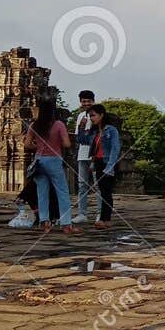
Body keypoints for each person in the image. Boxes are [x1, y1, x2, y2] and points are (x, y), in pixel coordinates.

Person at [24, 99, 73, 232]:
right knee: (62, 191)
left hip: (39, 160)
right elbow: (67, 144)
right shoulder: (58, 124)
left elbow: (27, 144)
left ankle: (44, 222)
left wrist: (38, 147)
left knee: (42, 192)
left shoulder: (35, 125)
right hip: (54, 159)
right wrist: (55, 145)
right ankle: (66, 223)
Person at [88, 105, 121, 229]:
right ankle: (105, 219)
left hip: (108, 162)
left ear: (101, 115)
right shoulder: (95, 131)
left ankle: (105, 218)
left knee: (106, 192)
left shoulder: (111, 130)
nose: (92, 118)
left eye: (93, 115)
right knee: (103, 192)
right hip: (98, 162)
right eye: (90, 116)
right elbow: (92, 148)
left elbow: (115, 148)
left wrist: (110, 166)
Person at [69, 89, 98, 225]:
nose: (86, 103)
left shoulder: (98, 115)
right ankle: (82, 213)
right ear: (81, 102)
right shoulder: (80, 116)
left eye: (88, 101)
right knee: (82, 185)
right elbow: (78, 137)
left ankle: (100, 213)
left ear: (93, 101)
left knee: (98, 185)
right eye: (83, 101)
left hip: (95, 154)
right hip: (82, 153)